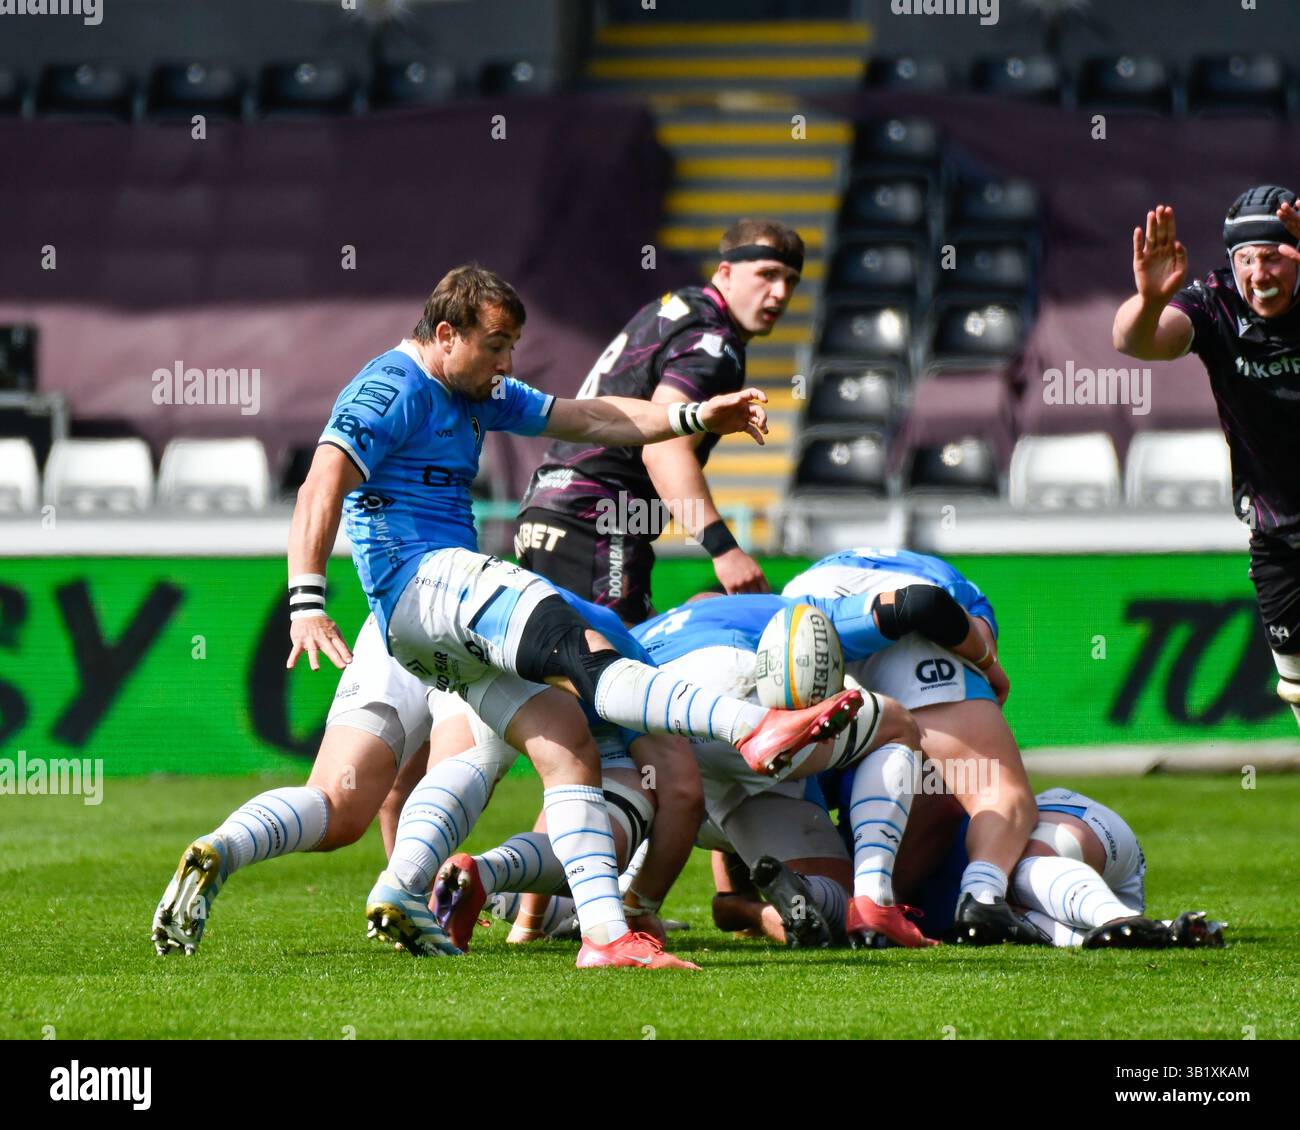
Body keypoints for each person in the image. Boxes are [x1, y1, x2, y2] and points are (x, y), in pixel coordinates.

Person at [263, 264, 858, 971]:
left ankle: (577, 928)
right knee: (583, 681)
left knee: (558, 740)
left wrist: (694, 416)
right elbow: (320, 483)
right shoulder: (391, 386)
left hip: (439, 605)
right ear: (446, 333)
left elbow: (594, 416)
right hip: (428, 587)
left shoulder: (477, 387)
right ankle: (746, 734)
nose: (507, 363)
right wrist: (306, 599)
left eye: (512, 345)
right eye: (496, 345)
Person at [516, 218, 806, 624]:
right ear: (726, 272)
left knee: (572, 670)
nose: (780, 293)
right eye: (767, 275)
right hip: (599, 520)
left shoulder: (674, 308)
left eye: (790, 281)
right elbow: (665, 450)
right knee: (615, 675)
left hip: (548, 510)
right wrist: (725, 551)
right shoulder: (714, 342)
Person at [785, 548, 1048, 945]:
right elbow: (930, 607)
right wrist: (990, 663)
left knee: (763, 782)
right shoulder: (960, 589)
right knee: (997, 791)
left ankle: (742, 901)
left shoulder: (797, 588)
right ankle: (980, 893)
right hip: (902, 635)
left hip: (798, 628)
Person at [1113, 187, 1300, 736]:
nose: (1259, 273)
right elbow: (1135, 342)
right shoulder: (1215, 301)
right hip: (1277, 534)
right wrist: (1148, 299)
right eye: (1246, 259)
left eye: (1274, 257)